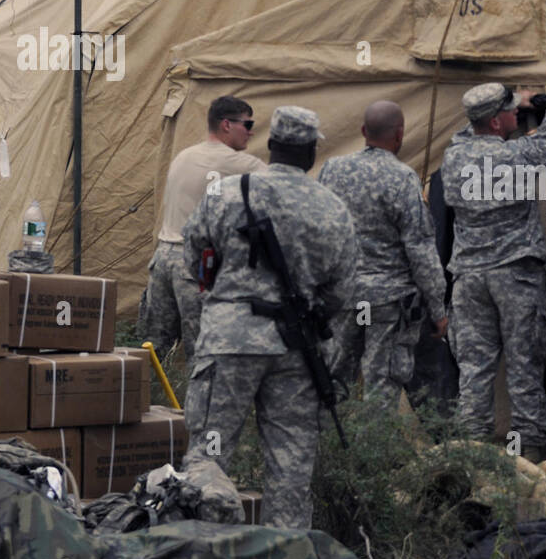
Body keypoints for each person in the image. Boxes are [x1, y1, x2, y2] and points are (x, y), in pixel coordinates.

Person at [180, 106, 358, 529]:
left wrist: (229, 291)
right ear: (313, 152)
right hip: (297, 352)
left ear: (272, 145)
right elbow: (342, 294)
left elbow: (193, 259)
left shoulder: (226, 192)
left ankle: (199, 556)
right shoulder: (333, 209)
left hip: (230, 342)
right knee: (291, 466)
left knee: (208, 454)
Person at [441, 82, 546, 464]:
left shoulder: (453, 157)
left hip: (469, 279)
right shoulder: (518, 156)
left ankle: (473, 455)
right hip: (515, 277)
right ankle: (529, 453)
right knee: (524, 367)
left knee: (474, 371)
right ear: (498, 121)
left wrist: (504, 110)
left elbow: (469, 132)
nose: (518, 115)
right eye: (512, 111)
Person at [318, 100, 447, 410]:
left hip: (341, 297)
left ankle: (331, 452)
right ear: (400, 134)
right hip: (388, 303)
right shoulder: (402, 179)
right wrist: (438, 308)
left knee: (334, 381)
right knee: (382, 386)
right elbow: (420, 249)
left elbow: (318, 231)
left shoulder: (332, 170)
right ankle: (373, 457)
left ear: (363, 131)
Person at [140, 95, 265, 371]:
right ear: (226, 125)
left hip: (162, 258)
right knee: (203, 350)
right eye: (247, 124)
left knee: (153, 346)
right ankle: (196, 412)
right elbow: (284, 189)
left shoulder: (183, 156)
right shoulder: (242, 164)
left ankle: (137, 401)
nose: (251, 131)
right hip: (194, 263)